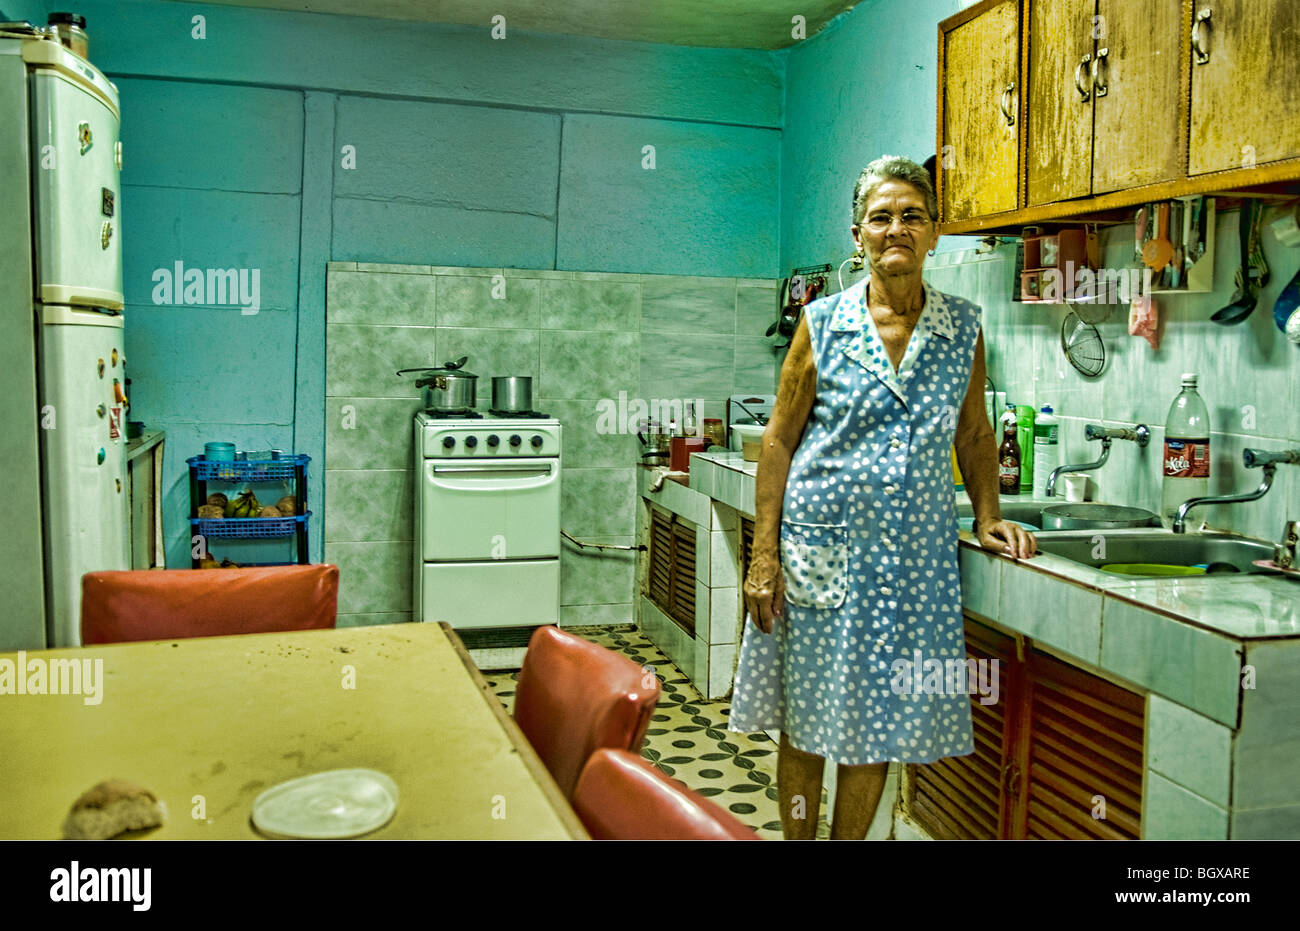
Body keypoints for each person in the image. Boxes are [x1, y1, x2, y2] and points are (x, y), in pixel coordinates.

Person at [729, 155, 1037, 840]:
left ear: (934, 234)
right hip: (820, 553)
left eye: (912, 215)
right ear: (858, 235)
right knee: (807, 722)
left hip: (912, 563)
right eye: (881, 217)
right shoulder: (823, 322)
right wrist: (763, 555)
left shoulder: (963, 328)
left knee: (877, 728)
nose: (896, 227)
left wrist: (989, 516)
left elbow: (975, 431)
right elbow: (778, 441)